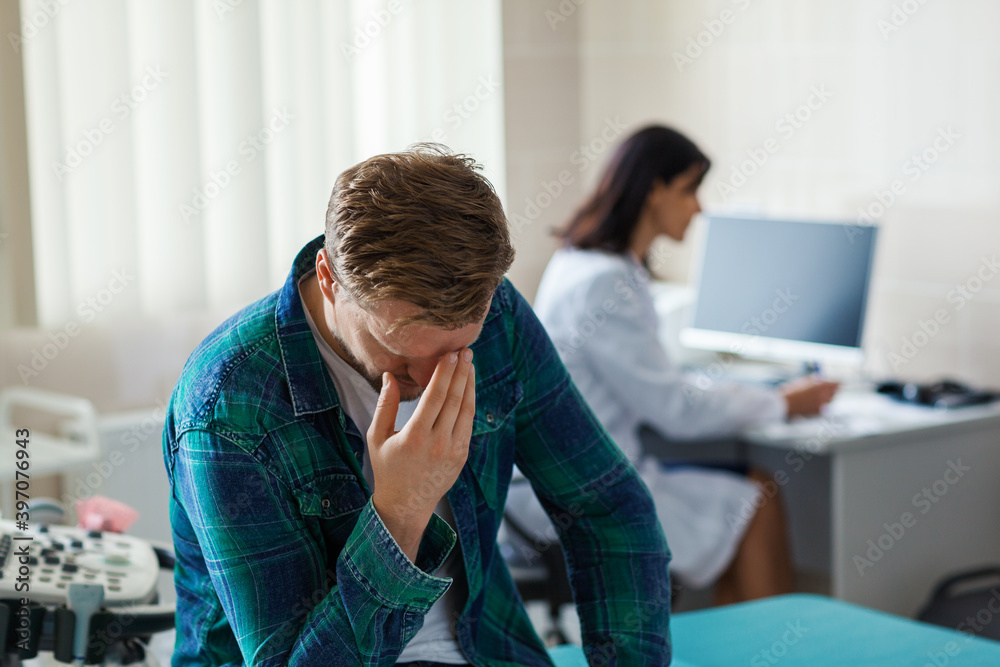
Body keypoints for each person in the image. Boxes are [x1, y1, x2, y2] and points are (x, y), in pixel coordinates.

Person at [162, 144, 672, 665]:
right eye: (401, 351)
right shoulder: (227, 410)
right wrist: (400, 513)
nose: (432, 380)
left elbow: (607, 507)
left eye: (457, 349)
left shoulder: (499, 317)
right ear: (329, 280)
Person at [505, 125, 838, 606]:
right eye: (690, 190)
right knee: (757, 497)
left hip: (557, 483)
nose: (699, 207)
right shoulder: (606, 282)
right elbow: (674, 411)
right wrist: (783, 402)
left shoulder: (583, 261)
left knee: (747, 496)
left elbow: (655, 389)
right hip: (579, 495)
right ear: (653, 190)